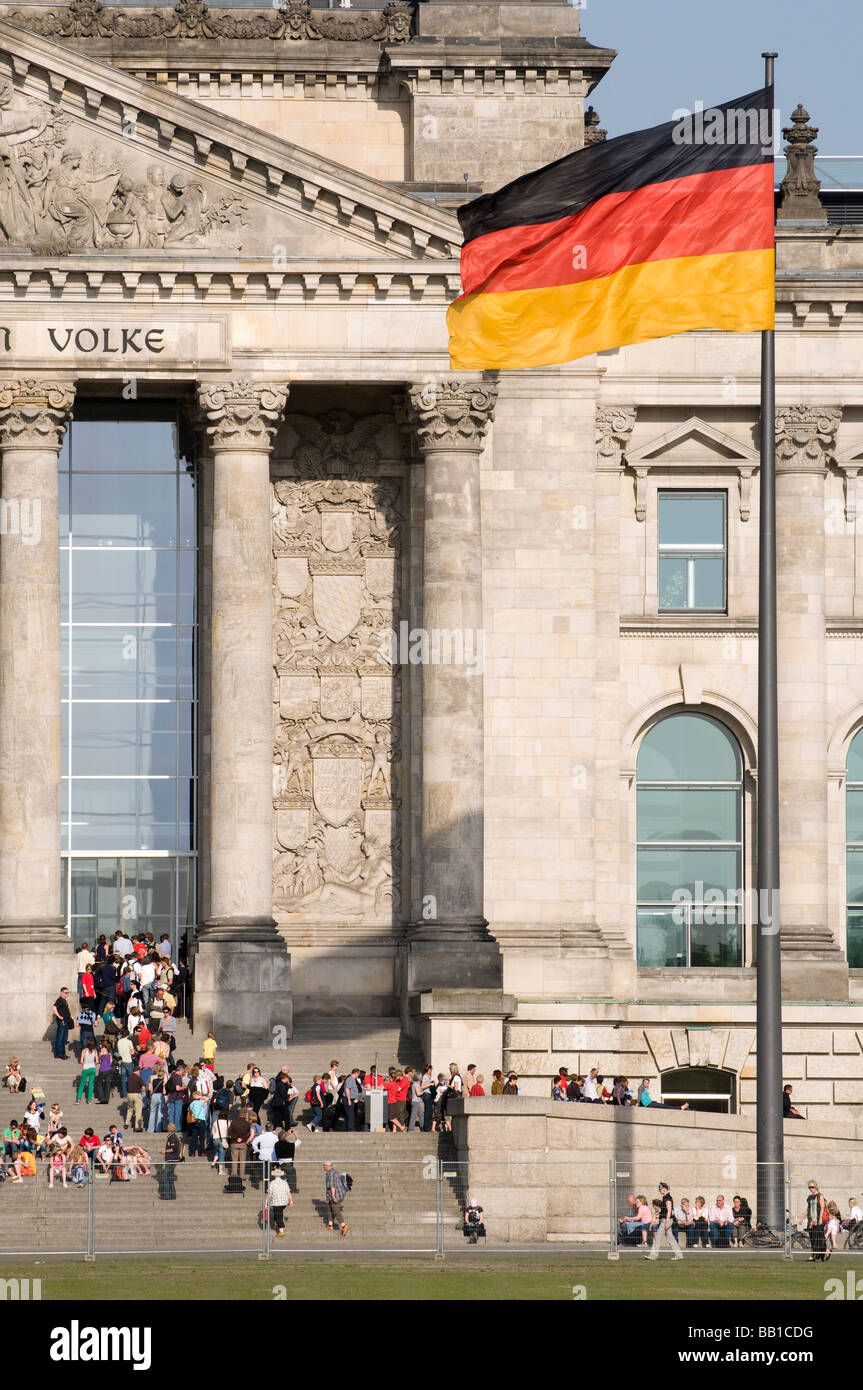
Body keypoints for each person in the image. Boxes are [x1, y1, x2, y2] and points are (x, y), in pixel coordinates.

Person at [645, 1181, 683, 1261]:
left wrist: (666, 1222)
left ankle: (653, 1255)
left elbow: (669, 1211)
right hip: (665, 1220)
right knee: (671, 1238)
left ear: (664, 1189)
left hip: (666, 1220)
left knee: (657, 1237)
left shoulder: (668, 1199)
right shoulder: (665, 1198)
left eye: (660, 1189)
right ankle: (679, 1255)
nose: (659, 1190)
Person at [805, 1179, 828, 1262]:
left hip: (818, 1220)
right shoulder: (810, 1197)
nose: (811, 1189)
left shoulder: (820, 1196)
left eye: (812, 1187)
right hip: (811, 1220)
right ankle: (813, 1255)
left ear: (816, 1187)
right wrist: (802, 1218)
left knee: (819, 1238)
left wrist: (820, 1218)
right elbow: (808, 1208)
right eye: (809, 1187)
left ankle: (825, 1251)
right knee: (813, 1238)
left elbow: (822, 1207)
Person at [324, 1161, 349, 1236]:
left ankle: (344, 1226)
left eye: (324, 1166)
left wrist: (333, 1196)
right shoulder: (335, 1172)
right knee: (330, 1209)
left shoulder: (330, 1174)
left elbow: (332, 1186)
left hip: (336, 1195)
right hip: (339, 1193)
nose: (323, 1167)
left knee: (335, 1211)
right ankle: (330, 1225)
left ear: (327, 1166)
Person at [267, 1166, 293, 1236]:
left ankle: (281, 1230)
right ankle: (276, 1224)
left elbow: (270, 1193)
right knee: (276, 1211)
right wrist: (291, 1200)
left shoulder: (272, 1183)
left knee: (279, 1215)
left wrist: (266, 1201)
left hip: (276, 1201)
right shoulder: (284, 1182)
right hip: (284, 1201)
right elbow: (288, 1192)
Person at [228, 1109, 252, 1183]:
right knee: (242, 1161)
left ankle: (234, 1174)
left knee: (234, 1160)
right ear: (245, 1115)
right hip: (243, 1143)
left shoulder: (233, 1122)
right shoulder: (247, 1124)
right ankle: (242, 1175)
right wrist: (243, 1139)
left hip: (234, 1143)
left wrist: (236, 1138)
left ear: (239, 1114)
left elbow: (229, 1132)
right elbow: (249, 1134)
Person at [159, 1123, 182, 1200]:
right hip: (173, 1159)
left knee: (166, 1176)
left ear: (169, 1129)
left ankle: (167, 1194)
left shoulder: (172, 1137)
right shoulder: (172, 1136)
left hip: (172, 1159)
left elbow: (173, 1148)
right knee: (170, 1177)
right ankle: (172, 1194)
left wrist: (164, 1151)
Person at [52, 987, 74, 1059]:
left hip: (66, 1021)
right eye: (65, 992)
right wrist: (59, 1016)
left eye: (68, 992)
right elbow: (54, 1007)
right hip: (62, 1022)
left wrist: (70, 1016)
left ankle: (63, 1053)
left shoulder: (64, 1000)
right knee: (60, 1038)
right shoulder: (60, 1000)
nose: (67, 994)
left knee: (64, 1038)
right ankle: (59, 1054)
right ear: (61, 992)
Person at [125, 1066, 144, 1132]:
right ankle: (137, 1127)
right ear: (138, 1071)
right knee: (138, 1111)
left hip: (129, 1094)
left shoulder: (128, 1078)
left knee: (130, 1109)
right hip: (137, 1095)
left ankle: (126, 1123)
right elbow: (143, 1088)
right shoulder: (139, 1078)